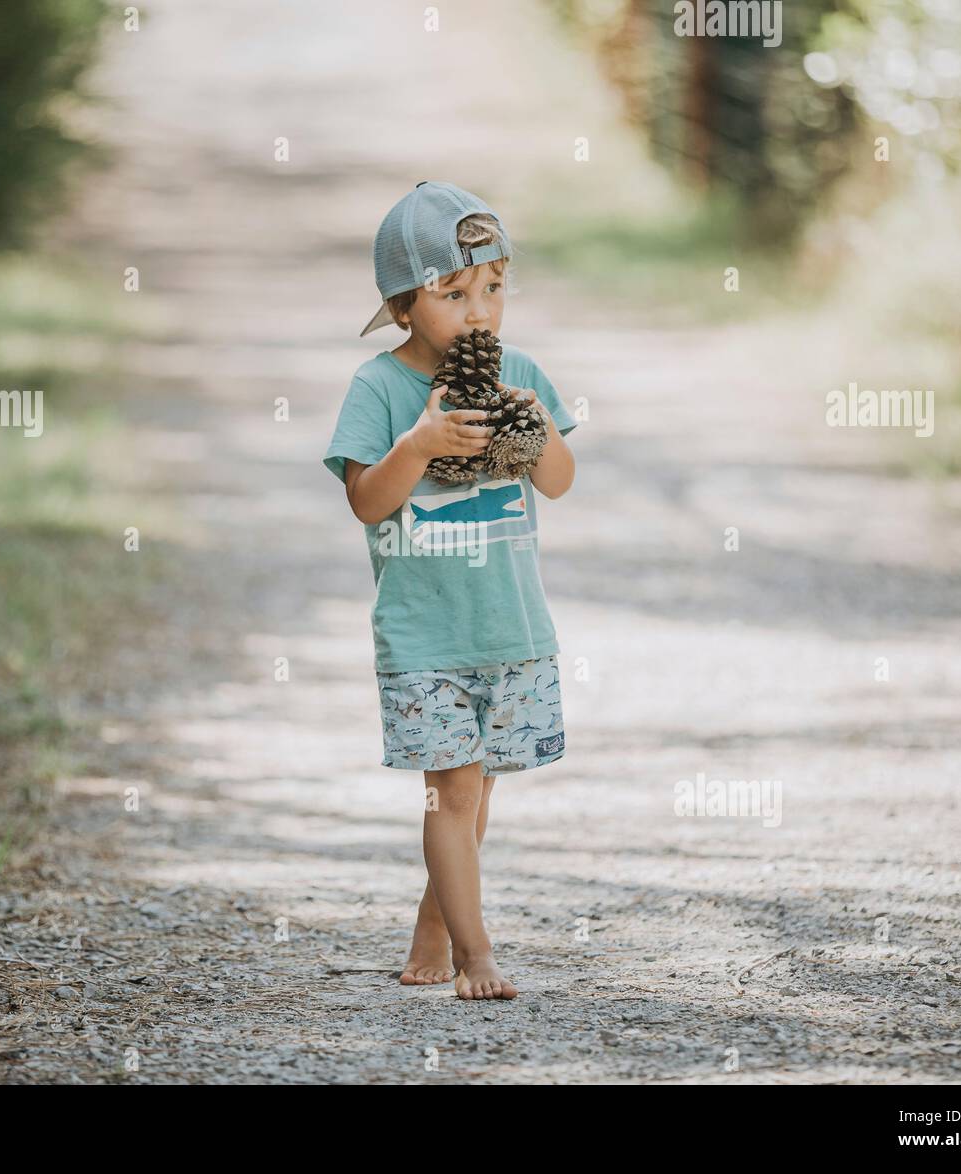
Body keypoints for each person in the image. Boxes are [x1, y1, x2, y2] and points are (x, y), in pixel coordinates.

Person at [322, 181, 577, 1000]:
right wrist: (421, 441)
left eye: (494, 288)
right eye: (454, 292)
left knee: (476, 795)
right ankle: (477, 952)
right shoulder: (380, 388)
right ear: (403, 305)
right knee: (453, 790)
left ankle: (435, 922)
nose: (480, 312)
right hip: (424, 634)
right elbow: (367, 500)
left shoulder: (522, 372)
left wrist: (531, 431)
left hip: (509, 626)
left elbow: (562, 483)